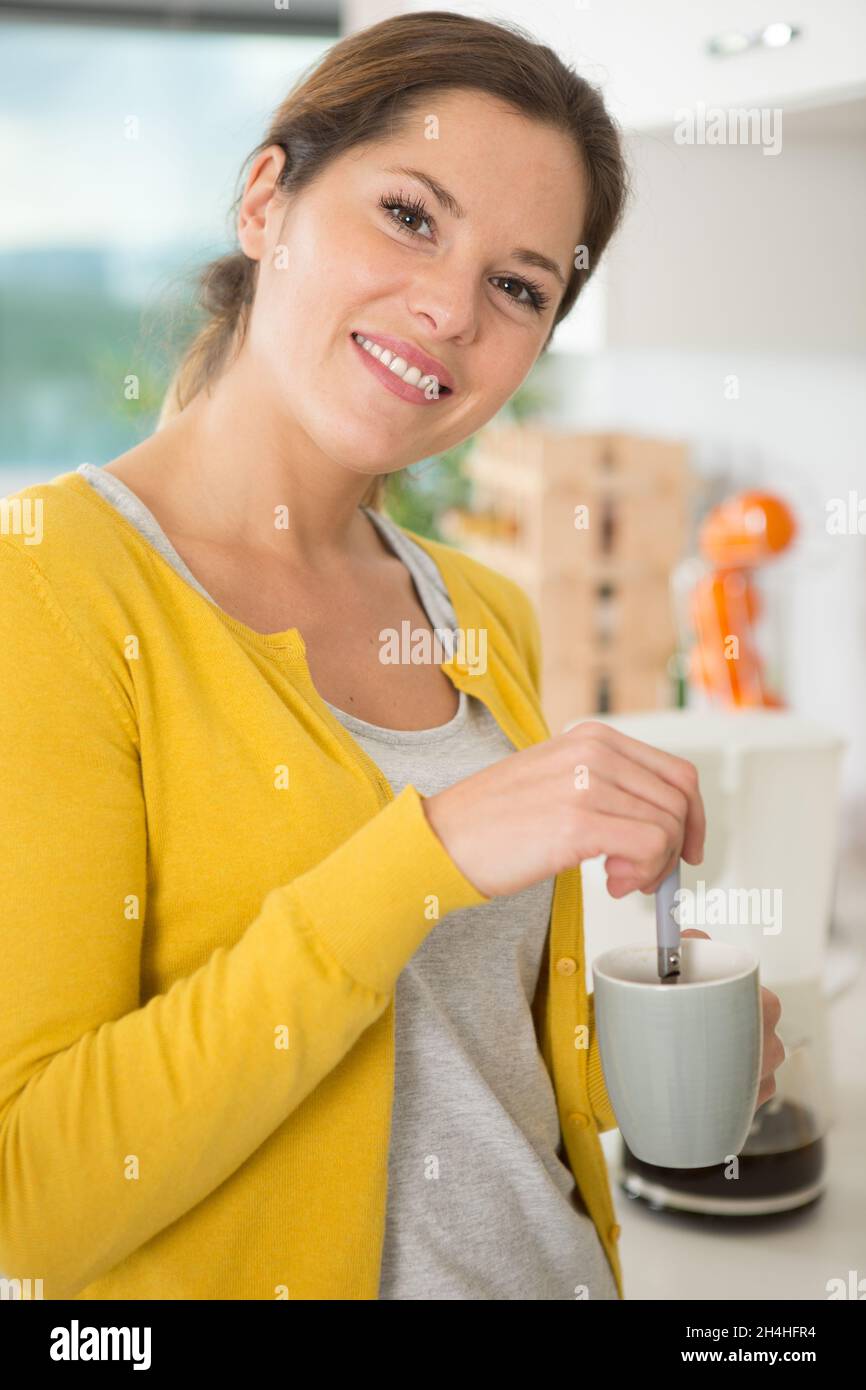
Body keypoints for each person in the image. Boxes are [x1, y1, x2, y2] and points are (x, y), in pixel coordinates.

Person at [0, 10, 784, 1301]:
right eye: (410, 216)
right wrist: (431, 850)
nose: (446, 308)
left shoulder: (479, 610)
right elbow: (34, 1193)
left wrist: (653, 1057)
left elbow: (464, 1058)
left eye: (518, 285)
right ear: (269, 201)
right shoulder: (51, 586)